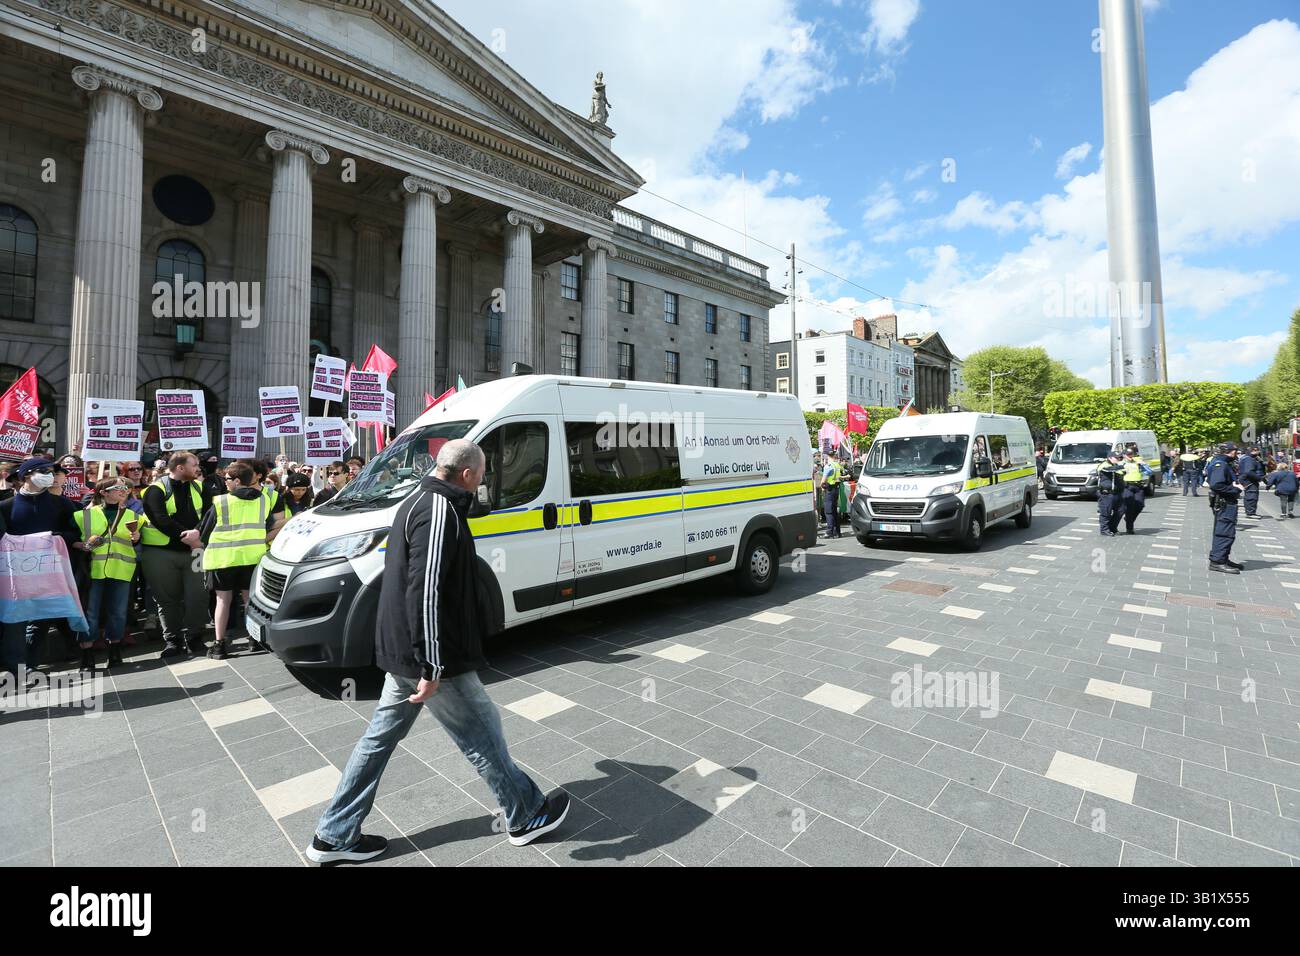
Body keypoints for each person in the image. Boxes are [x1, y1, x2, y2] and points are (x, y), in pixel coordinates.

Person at [305, 439, 569, 864]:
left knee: (378, 741)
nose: (483, 481)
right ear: (466, 473)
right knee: (481, 733)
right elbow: (424, 591)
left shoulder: (418, 499)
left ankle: (334, 834)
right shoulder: (439, 510)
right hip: (431, 655)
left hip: (403, 651)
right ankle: (526, 814)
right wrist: (431, 663)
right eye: (481, 474)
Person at [0, 457, 82, 677]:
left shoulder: (62, 503)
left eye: (51, 471)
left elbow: (75, 533)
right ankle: (16, 669)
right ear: (27, 475)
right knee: (15, 621)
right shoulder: (6, 507)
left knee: (42, 620)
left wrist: (55, 537)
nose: (50, 475)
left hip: (51, 573)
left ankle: (31, 664)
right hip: (17, 575)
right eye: (44, 471)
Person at [199, 462, 275, 660]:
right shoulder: (264, 500)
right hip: (252, 557)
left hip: (223, 560)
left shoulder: (221, 502)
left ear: (237, 481)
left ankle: (219, 645)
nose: (225, 482)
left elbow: (205, 532)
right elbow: (267, 525)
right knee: (250, 600)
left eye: (228, 479)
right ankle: (254, 639)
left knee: (223, 601)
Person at [140, 451, 210, 657]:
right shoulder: (155, 490)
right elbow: (160, 519)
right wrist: (186, 536)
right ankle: (173, 640)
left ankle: (195, 638)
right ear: (180, 468)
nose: (198, 468)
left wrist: (198, 537)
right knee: (167, 599)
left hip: (196, 552)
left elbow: (209, 515)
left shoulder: (200, 487)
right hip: (160, 553)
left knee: (198, 595)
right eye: (194, 464)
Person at [71, 477, 140, 671]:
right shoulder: (83, 515)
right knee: (90, 613)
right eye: (117, 488)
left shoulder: (133, 515)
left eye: (124, 488)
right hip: (92, 571)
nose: (122, 490)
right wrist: (82, 545)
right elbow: (70, 539)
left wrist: (137, 537)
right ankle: (87, 654)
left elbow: (136, 541)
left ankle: (115, 652)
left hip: (121, 570)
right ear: (104, 492)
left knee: (117, 612)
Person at [1206, 442, 1243, 574]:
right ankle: (1217, 562)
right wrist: (1235, 489)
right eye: (1235, 451)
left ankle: (1223, 558)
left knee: (1226, 531)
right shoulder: (1220, 464)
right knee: (1225, 532)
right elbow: (1217, 485)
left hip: (1225, 502)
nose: (1236, 453)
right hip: (1224, 502)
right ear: (1229, 451)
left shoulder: (1222, 463)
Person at [1119, 446, 1153, 535]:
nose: (1130, 456)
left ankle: (1129, 519)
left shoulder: (1137, 463)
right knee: (1129, 507)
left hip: (1138, 486)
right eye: (1128, 454)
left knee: (1140, 505)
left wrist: (1143, 464)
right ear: (1124, 455)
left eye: (1131, 454)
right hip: (1127, 486)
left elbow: (1150, 472)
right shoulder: (1121, 463)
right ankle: (1129, 528)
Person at [1095, 451, 1124, 536]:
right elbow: (1108, 470)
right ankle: (1104, 530)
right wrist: (1122, 467)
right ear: (1110, 458)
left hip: (1117, 493)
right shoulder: (1104, 465)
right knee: (1106, 512)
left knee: (1120, 511)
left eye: (1119, 457)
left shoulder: (1116, 466)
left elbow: (1122, 475)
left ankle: (1113, 528)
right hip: (1106, 494)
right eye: (1116, 457)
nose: (1118, 459)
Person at [1238, 445, 1264, 519]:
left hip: (1248, 480)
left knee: (1250, 495)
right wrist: (1258, 478)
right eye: (1257, 450)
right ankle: (1250, 512)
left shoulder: (1248, 458)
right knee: (1252, 495)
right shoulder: (1249, 459)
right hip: (1250, 481)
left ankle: (1250, 512)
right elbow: (1249, 472)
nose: (1258, 452)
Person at [821, 454, 844, 539]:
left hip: (829, 490)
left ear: (828, 457)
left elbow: (823, 481)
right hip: (836, 489)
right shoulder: (837, 465)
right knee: (834, 511)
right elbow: (842, 475)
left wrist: (822, 487)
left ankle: (829, 532)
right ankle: (837, 532)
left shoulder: (829, 466)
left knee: (828, 511)